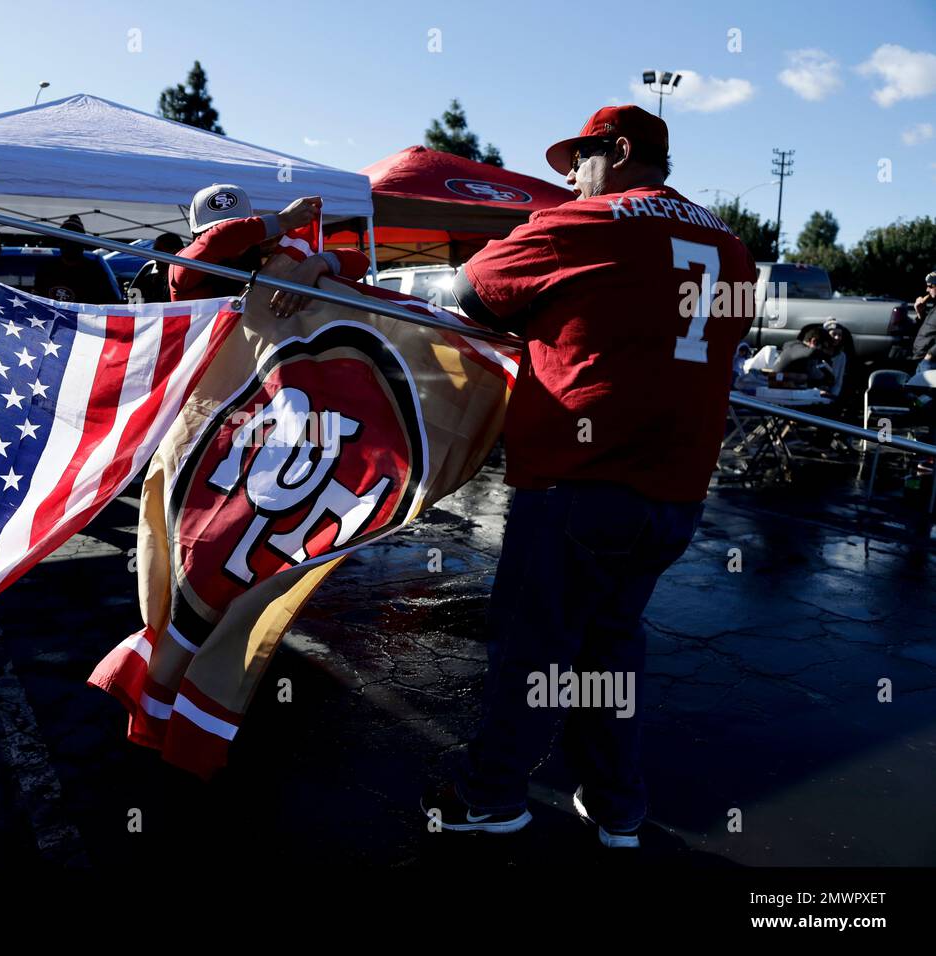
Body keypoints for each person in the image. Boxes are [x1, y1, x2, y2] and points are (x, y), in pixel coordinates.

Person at [426, 105, 758, 848]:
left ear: (621, 149)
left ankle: (491, 797)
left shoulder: (587, 223)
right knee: (610, 646)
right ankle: (616, 807)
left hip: (581, 481)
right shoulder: (731, 245)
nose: (569, 177)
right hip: (675, 490)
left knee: (533, 645)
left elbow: (465, 298)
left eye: (578, 158)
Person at [169, 184, 369, 316]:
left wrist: (316, 264)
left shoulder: (270, 263)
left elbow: (360, 262)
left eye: (240, 226)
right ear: (197, 237)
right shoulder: (181, 267)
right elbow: (218, 239)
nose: (237, 242)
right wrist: (282, 220)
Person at [34, 215, 121, 304]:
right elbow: (36, 300)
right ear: (59, 242)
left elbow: (108, 303)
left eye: (73, 241)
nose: (69, 244)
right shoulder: (47, 269)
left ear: (81, 243)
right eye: (65, 240)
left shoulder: (94, 271)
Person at [768, 325, 835, 388]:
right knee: (803, 377)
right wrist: (826, 354)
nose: (823, 350)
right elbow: (811, 352)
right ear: (813, 341)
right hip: (778, 385)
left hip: (785, 386)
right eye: (823, 347)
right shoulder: (796, 348)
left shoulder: (797, 349)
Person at [126, 232, 184, 304]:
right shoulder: (149, 270)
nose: (154, 255)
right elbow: (133, 302)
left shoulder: (187, 272)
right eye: (154, 251)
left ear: (174, 252)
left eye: (158, 250)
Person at [911, 270, 936, 377]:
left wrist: (930, 355)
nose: (927, 289)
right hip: (922, 360)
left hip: (930, 362)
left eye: (930, 286)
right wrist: (920, 312)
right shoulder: (934, 306)